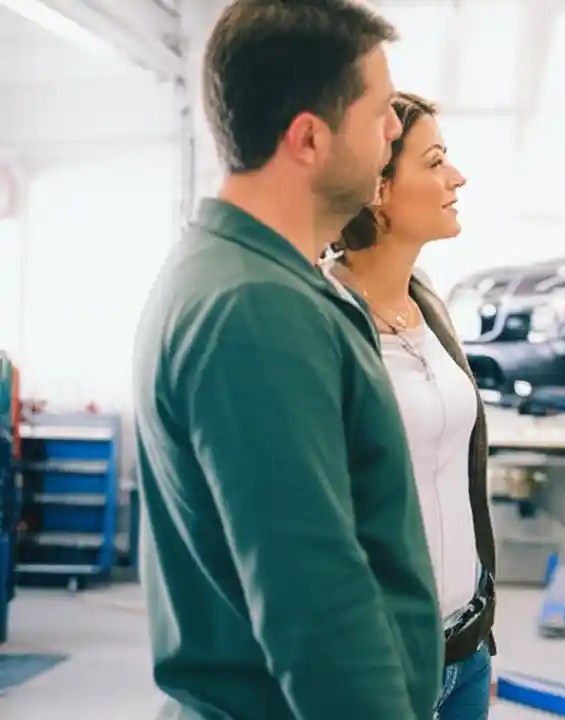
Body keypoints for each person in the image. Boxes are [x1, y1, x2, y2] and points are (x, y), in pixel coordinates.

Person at [132, 2, 446, 718]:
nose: (395, 129)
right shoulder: (254, 310)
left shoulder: (250, 277)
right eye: (378, 116)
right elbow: (316, 601)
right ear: (308, 138)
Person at [321, 92, 498, 720]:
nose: (457, 176)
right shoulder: (320, 319)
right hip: (380, 664)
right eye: (435, 160)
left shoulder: (429, 305)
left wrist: (479, 638)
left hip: (464, 647)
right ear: (378, 188)